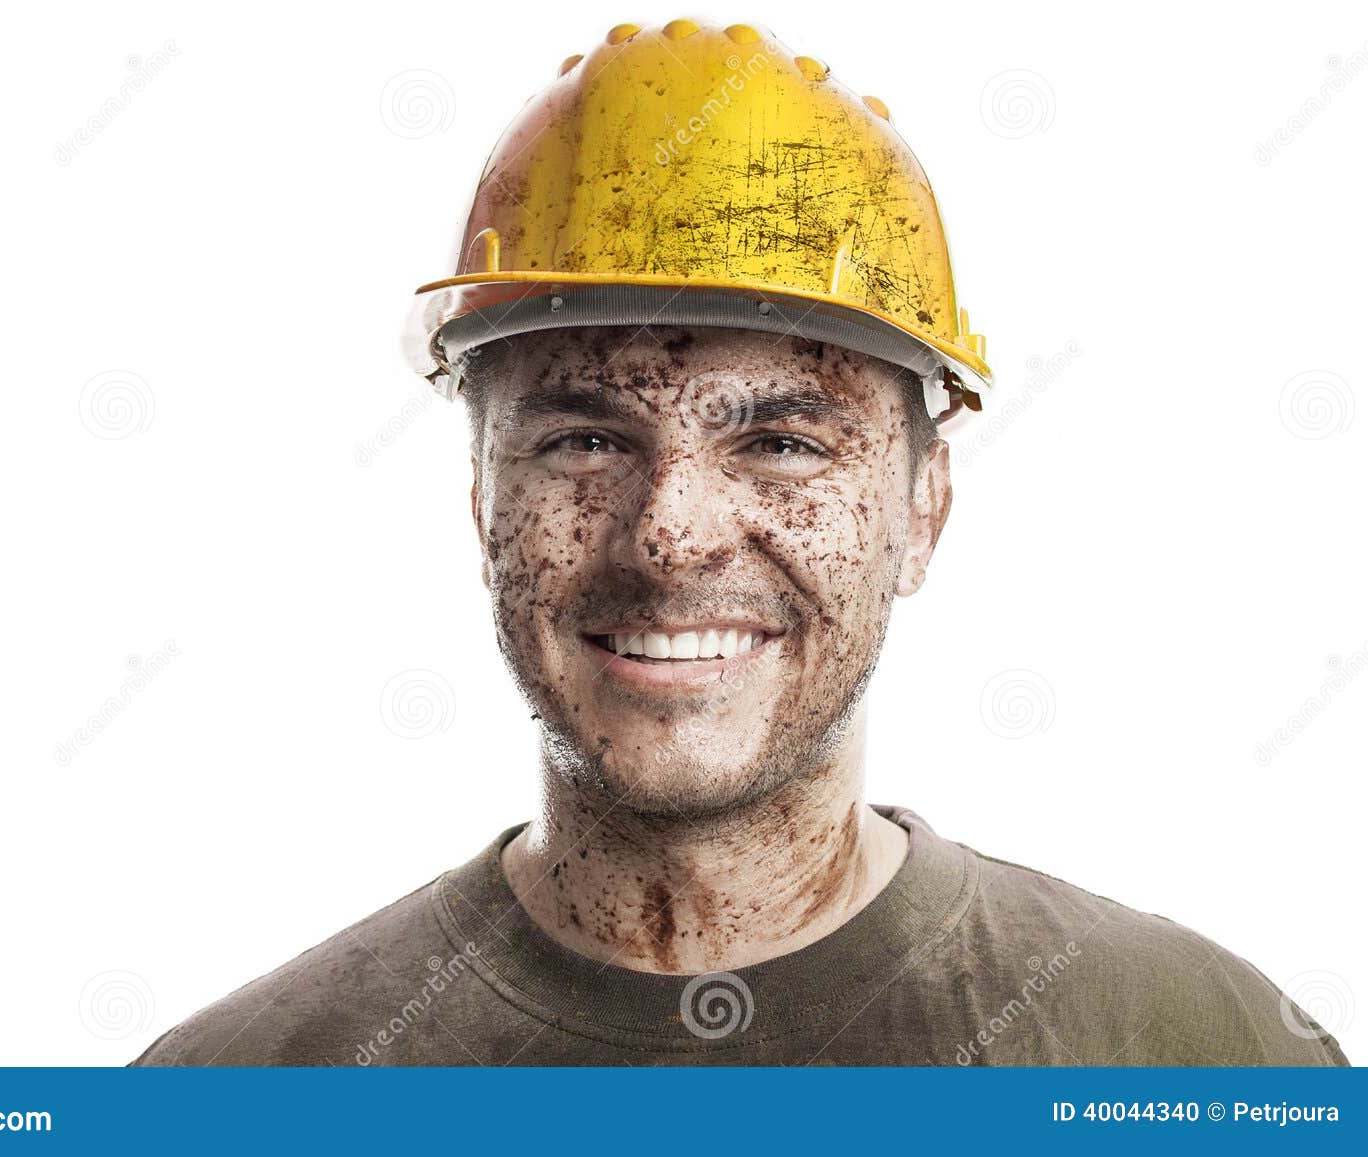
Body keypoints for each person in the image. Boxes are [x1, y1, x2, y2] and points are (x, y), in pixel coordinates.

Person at [133, 19, 1345, 1066]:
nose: (668, 536)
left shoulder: (1200, 1051)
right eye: (582, 441)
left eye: (781, 443)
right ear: (480, 500)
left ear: (923, 510)